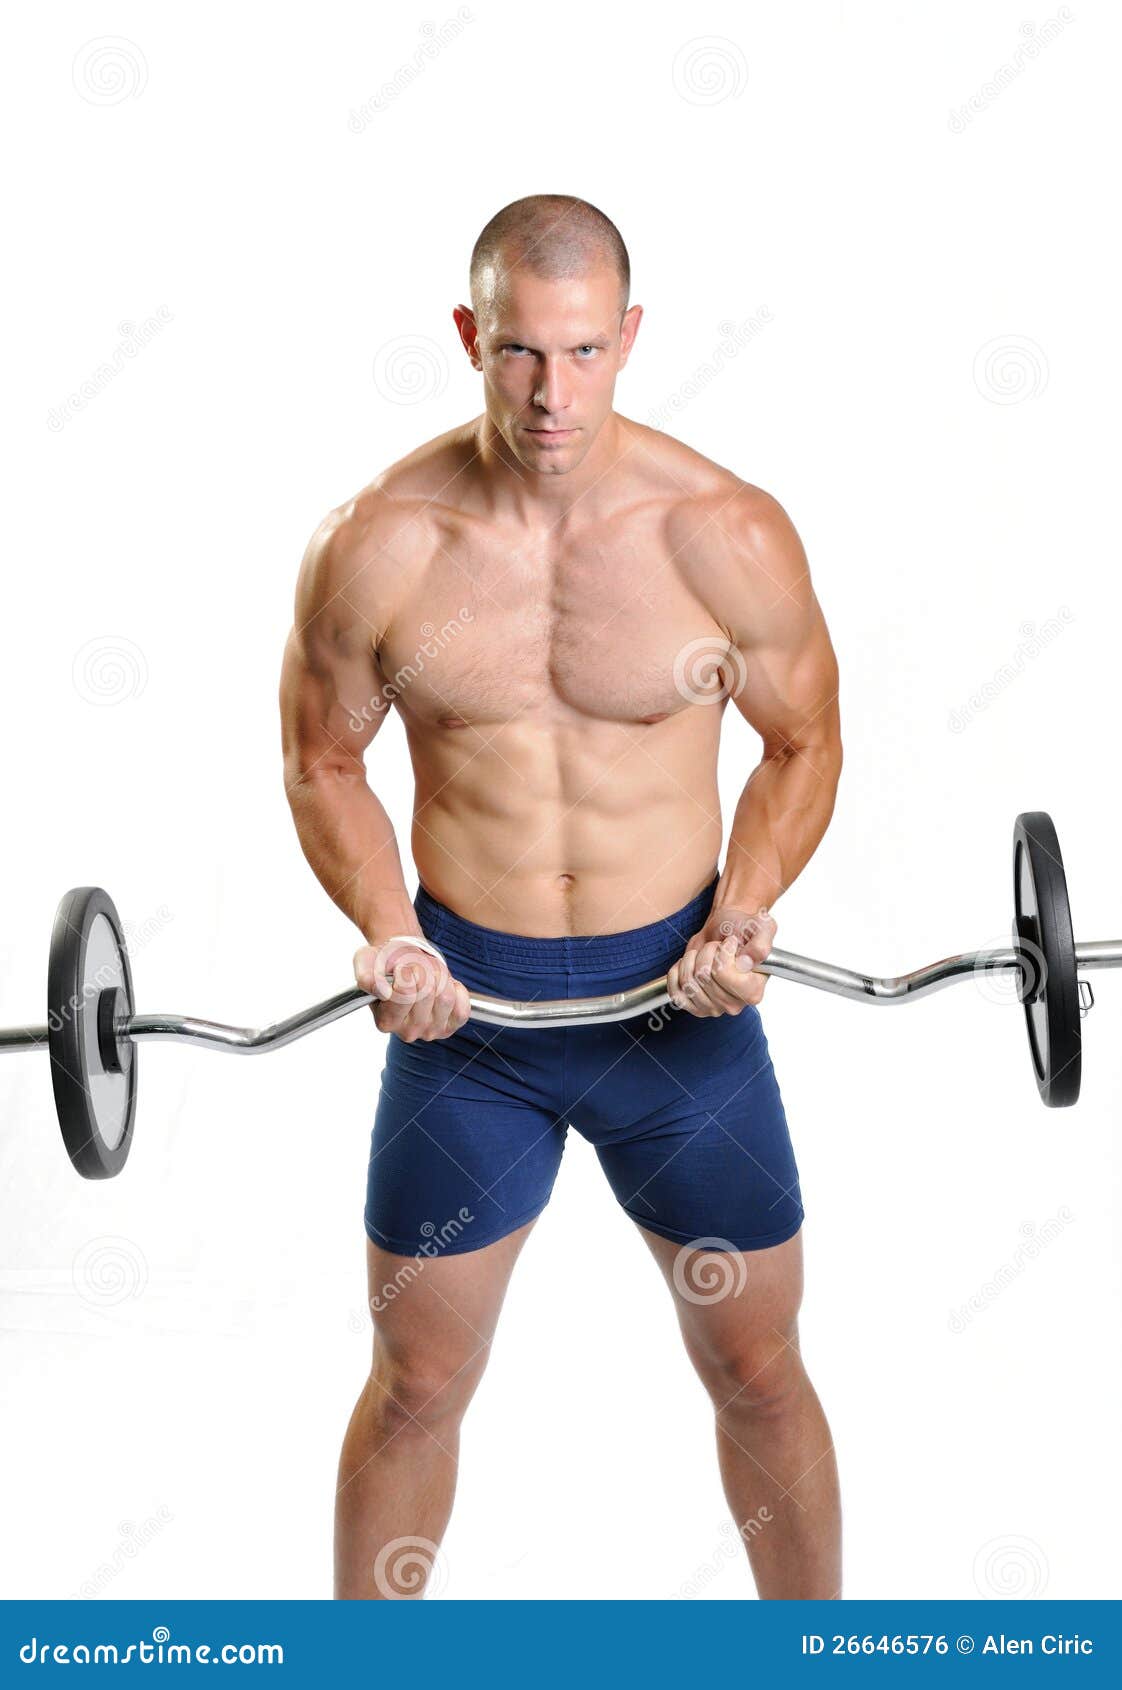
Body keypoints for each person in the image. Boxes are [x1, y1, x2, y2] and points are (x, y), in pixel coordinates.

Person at [279, 193, 843, 1600]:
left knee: (758, 1364)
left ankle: (815, 1657)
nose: (552, 392)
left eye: (585, 351)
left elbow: (804, 741)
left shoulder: (722, 530)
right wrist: (388, 932)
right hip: (466, 1022)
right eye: (522, 352)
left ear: (631, 337)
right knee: (416, 1377)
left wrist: (746, 906)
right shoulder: (381, 541)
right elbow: (321, 758)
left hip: (680, 1015)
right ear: (471, 337)